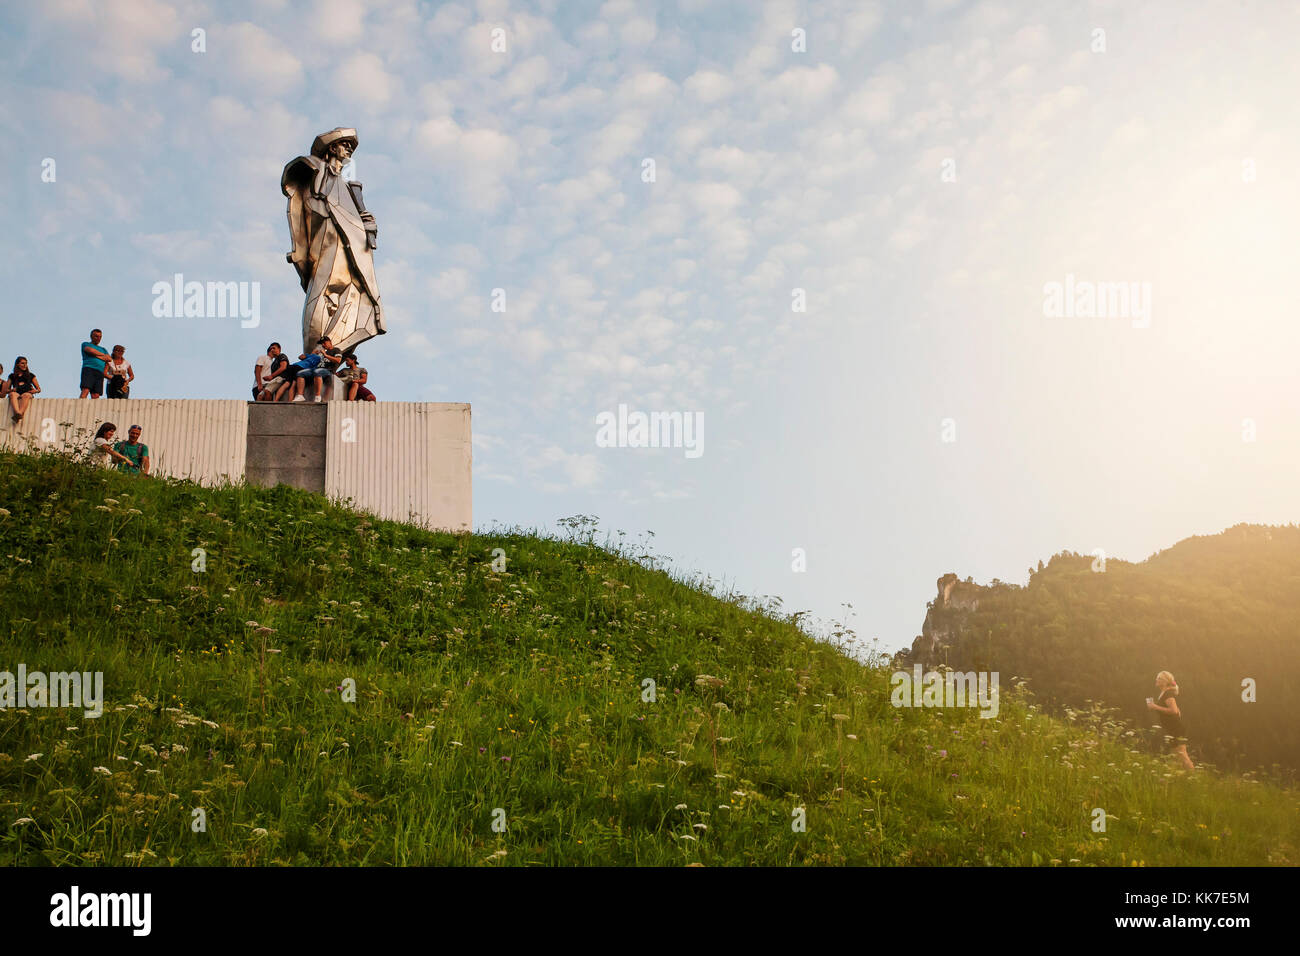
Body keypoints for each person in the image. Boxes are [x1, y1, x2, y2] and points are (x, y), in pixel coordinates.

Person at [1146, 670, 1194, 771]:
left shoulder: (1167, 694)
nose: (1156, 680)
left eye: (1159, 678)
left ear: (1164, 681)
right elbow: (1177, 710)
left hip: (1176, 729)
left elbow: (1174, 710)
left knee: (1183, 755)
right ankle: (1181, 777)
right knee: (1176, 755)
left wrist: (1155, 706)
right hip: (1172, 728)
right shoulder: (1165, 693)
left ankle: (1193, 777)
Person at [289, 336, 341, 403]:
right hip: (316, 369)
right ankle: (300, 395)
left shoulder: (336, 350)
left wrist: (325, 355)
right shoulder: (323, 352)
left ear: (329, 342)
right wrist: (313, 354)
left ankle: (318, 396)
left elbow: (338, 360)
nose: (323, 345)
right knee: (300, 373)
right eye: (322, 343)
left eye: (324, 343)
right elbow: (301, 357)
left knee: (317, 372)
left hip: (328, 371)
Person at [2, 356, 40, 424]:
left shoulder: (30, 375)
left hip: (27, 392)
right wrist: (12, 390)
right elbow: (6, 390)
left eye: (26, 363)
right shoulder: (12, 376)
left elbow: (39, 389)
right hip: (16, 392)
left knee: (26, 395)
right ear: (17, 364)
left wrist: (35, 391)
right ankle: (17, 413)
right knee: (12, 394)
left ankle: (19, 413)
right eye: (22, 363)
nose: (25, 365)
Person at [79, 329, 112, 399]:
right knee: (85, 390)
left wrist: (95, 354)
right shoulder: (86, 344)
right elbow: (89, 350)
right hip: (89, 369)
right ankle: (79, 407)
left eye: (100, 337)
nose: (98, 338)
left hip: (100, 372)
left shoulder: (103, 349)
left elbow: (109, 358)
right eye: (96, 336)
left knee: (96, 395)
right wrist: (103, 356)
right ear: (91, 336)